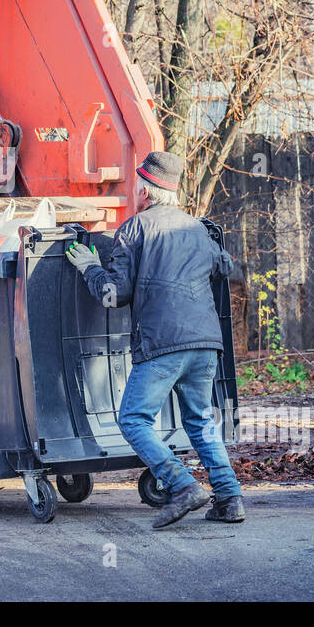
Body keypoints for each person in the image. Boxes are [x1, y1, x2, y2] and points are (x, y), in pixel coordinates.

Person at [66, 150, 244, 528]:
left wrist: (90, 268)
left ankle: (182, 486)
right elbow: (226, 266)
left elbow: (115, 295)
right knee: (200, 421)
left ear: (145, 192)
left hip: (163, 343)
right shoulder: (196, 228)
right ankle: (229, 499)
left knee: (132, 419)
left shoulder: (134, 228)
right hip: (206, 343)